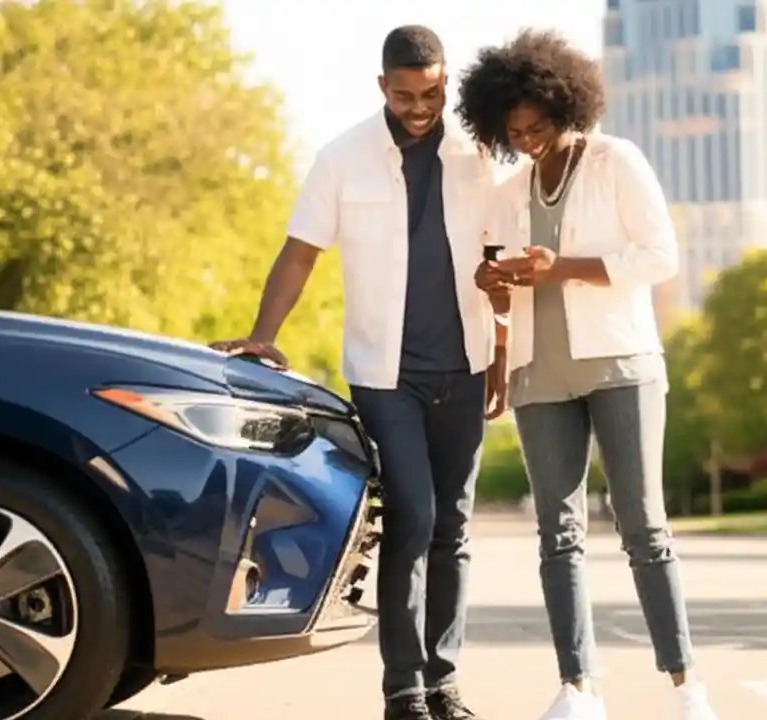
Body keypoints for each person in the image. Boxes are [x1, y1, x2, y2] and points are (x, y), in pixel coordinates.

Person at [211, 25, 506, 720]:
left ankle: (444, 682)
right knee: (414, 513)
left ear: (446, 80)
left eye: (431, 92)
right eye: (405, 94)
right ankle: (403, 688)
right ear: (382, 87)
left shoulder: (477, 152)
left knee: (454, 527)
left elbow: (503, 258)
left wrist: (505, 348)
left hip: (465, 363)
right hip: (384, 372)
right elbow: (300, 252)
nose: (419, 106)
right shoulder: (342, 157)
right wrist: (263, 335)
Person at [453, 29, 720, 720]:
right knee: (558, 532)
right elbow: (510, 280)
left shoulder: (615, 162)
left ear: (565, 105)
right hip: (540, 374)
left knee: (643, 527)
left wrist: (561, 268)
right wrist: (496, 283)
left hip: (620, 363)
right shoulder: (509, 191)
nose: (528, 139)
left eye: (537, 125)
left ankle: (686, 686)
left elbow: (660, 257)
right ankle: (579, 689)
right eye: (514, 131)